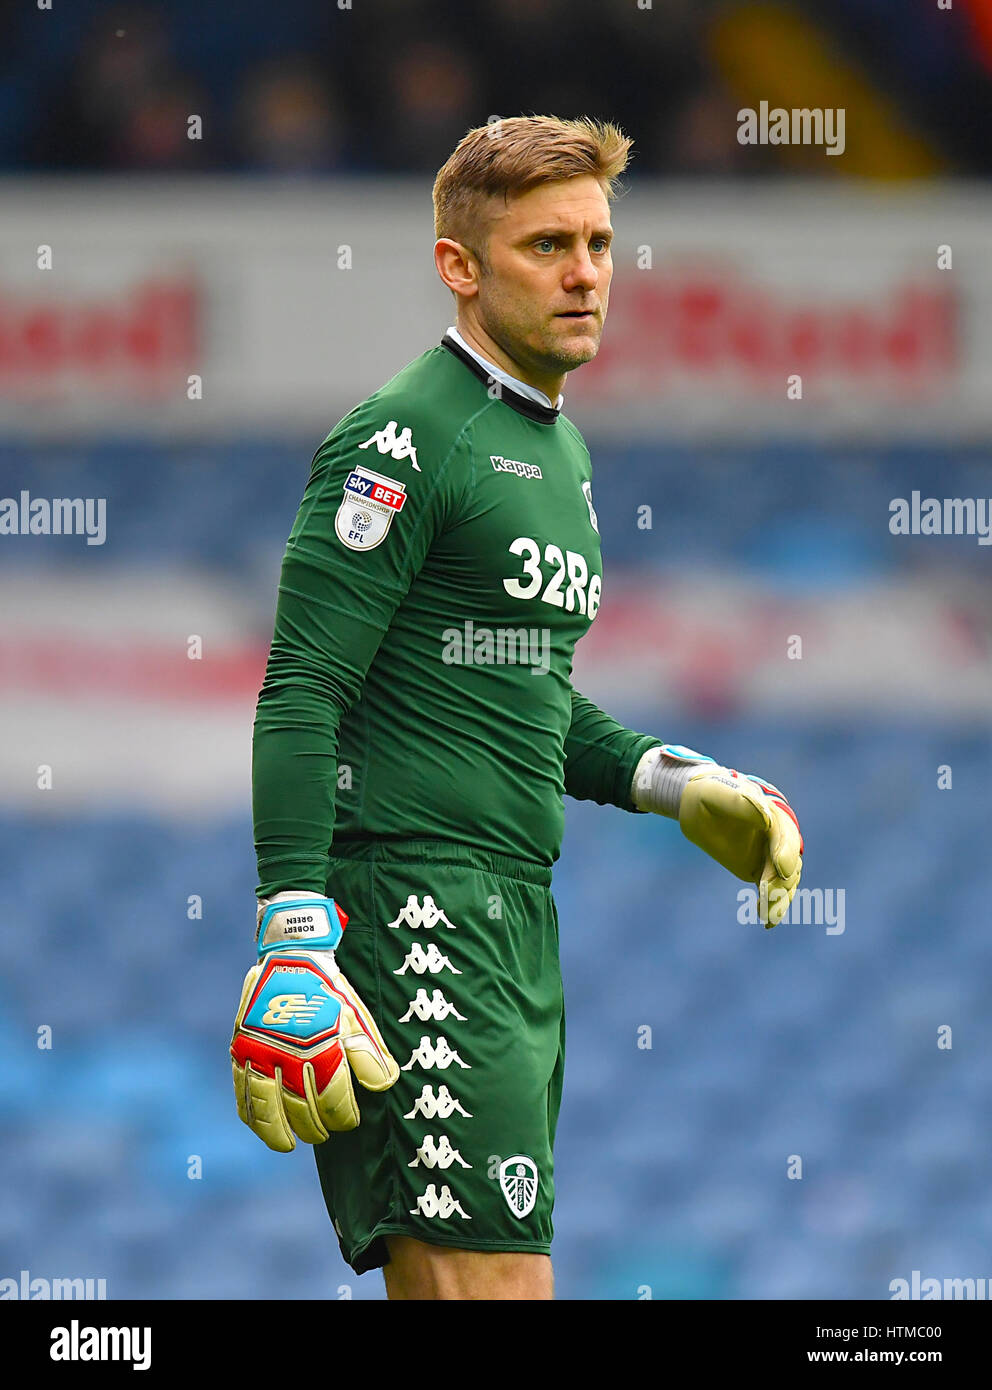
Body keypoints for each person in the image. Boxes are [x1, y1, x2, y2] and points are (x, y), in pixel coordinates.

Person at [230, 114, 803, 1301]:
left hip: (511, 915)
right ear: (460, 266)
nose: (585, 271)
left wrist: (667, 778)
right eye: (546, 244)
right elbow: (302, 688)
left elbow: (523, 690)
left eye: (597, 240)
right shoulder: (405, 438)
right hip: (413, 907)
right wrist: (293, 933)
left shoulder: (558, 453)